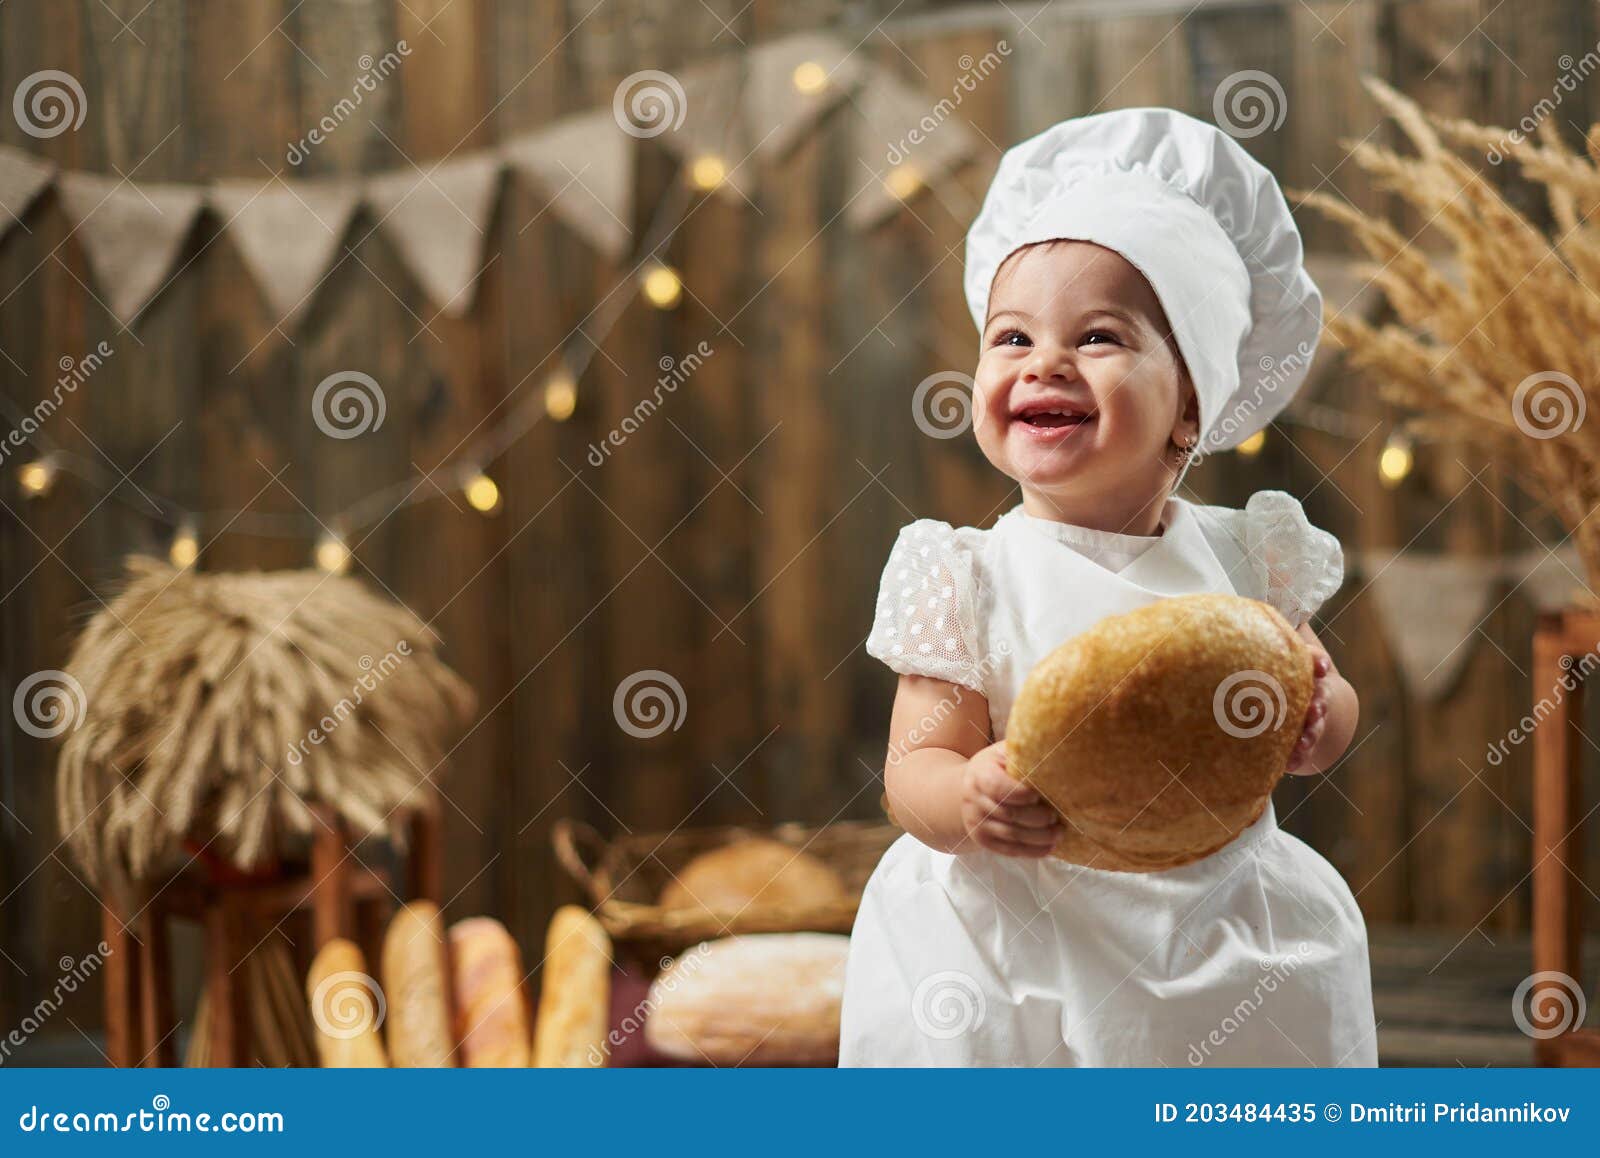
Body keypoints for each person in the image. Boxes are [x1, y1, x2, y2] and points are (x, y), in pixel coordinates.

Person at [839, 108, 1377, 1067]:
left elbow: (1325, 726)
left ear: (1191, 406)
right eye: (1011, 338)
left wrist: (1317, 710)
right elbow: (913, 763)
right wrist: (966, 795)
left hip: (1217, 916)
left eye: (1098, 336)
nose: (1043, 361)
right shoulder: (966, 571)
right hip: (1016, 928)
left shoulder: (1248, 559)